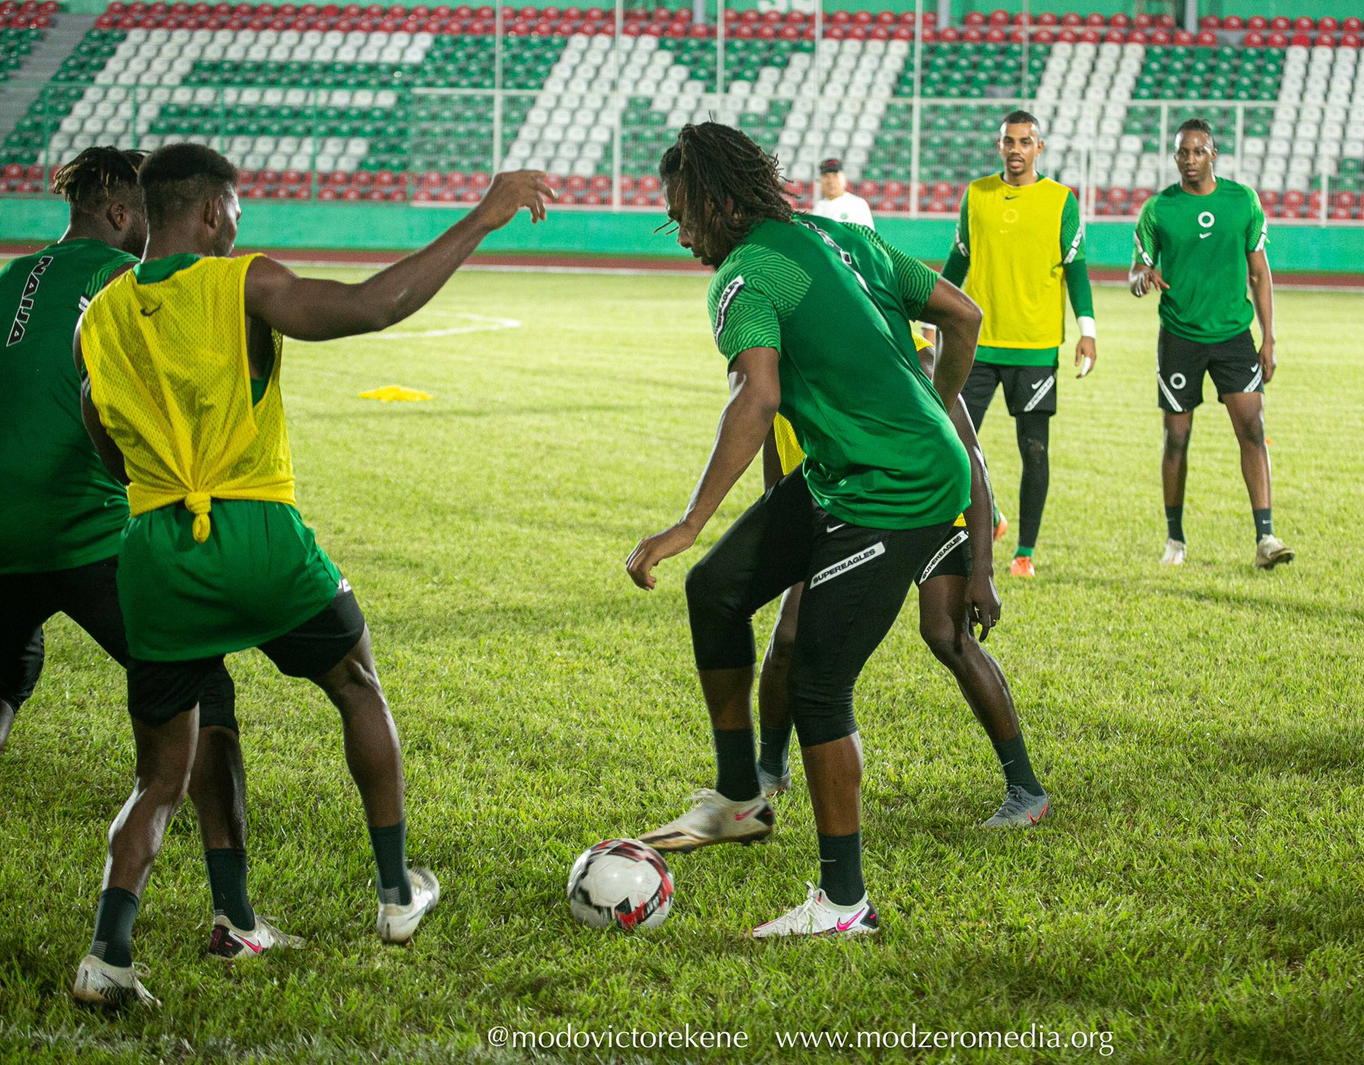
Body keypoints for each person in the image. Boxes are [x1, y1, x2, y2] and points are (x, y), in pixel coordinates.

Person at [71, 142, 554, 1007]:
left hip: (155, 551)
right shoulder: (242, 280)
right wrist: (483, 215)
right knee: (357, 682)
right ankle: (398, 892)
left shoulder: (96, 317)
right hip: (259, 536)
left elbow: (103, 442)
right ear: (215, 212)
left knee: (159, 773)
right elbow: (372, 307)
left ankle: (110, 953)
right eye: (236, 216)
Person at [624, 122, 980, 938]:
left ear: (718, 202)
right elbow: (962, 314)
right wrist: (937, 406)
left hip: (893, 488)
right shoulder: (838, 233)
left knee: (819, 683)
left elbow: (757, 399)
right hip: (851, 470)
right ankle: (741, 797)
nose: (680, 234)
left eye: (683, 214)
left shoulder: (747, 277)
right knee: (717, 589)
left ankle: (844, 904)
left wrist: (687, 521)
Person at [0, 147, 263, 966]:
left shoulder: (12, 277)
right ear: (120, 214)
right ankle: (233, 917)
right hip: (94, 535)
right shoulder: (129, 287)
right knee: (206, 693)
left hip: (2, 537)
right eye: (146, 212)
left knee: (14, 664)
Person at [754, 332, 1049, 828]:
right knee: (788, 636)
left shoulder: (907, 347)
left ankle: (1026, 788)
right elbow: (776, 459)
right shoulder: (769, 353)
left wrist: (983, 571)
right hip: (845, 511)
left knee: (946, 634)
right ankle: (768, 769)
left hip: (932, 506)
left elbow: (969, 454)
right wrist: (781, 540)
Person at [940, 109, 1097, 580]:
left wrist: (1087, 331)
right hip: (977, 346)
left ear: (1039, 148)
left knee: (1034, 450)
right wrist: (927, 316)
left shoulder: (1060, 200)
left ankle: (1024, 552)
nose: (1016, 150)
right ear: (999, 145)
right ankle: (992, 517)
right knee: (951, 443)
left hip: (1035, 347)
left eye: (1025, 142)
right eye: (1009, 141)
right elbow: (957, 262)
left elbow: (1077, 270)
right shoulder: (977, 195)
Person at [1130, 117, 1292, 569]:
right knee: (1176, 437)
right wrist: (1142, 279)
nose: (1189, 159)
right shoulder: (1159, 209)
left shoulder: (1242, 201)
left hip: (1233, 336)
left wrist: (1269, 338)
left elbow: (1260, 273)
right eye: (1182, 152)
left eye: (1198, 151)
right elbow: (1136, 271)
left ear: (1213, 154)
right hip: (1180, 336)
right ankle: (1175, 539)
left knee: (1253, 428)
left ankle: (1266, 538)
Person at [808, 157, 874, 227]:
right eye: (826, 176)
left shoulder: (857, 204)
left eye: (835, 176)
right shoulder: (819, 207)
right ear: (820, 181)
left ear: (844, 179)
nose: (831, 181)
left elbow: (868, 235)